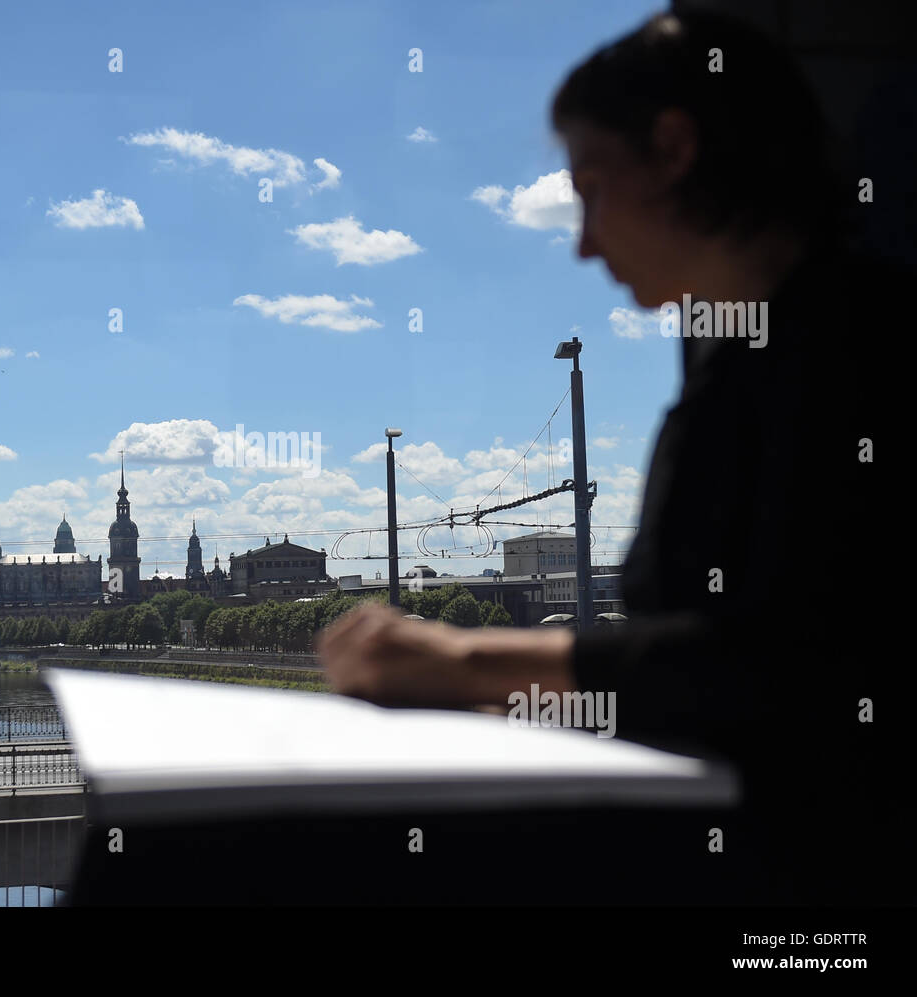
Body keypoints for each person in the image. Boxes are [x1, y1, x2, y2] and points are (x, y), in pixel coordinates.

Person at [317, 10, 908, 905]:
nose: (583, 241)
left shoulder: (852, 355)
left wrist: (464, 662)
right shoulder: (764, 355)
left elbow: (784, 670)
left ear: (673, 149)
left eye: (590, 187)